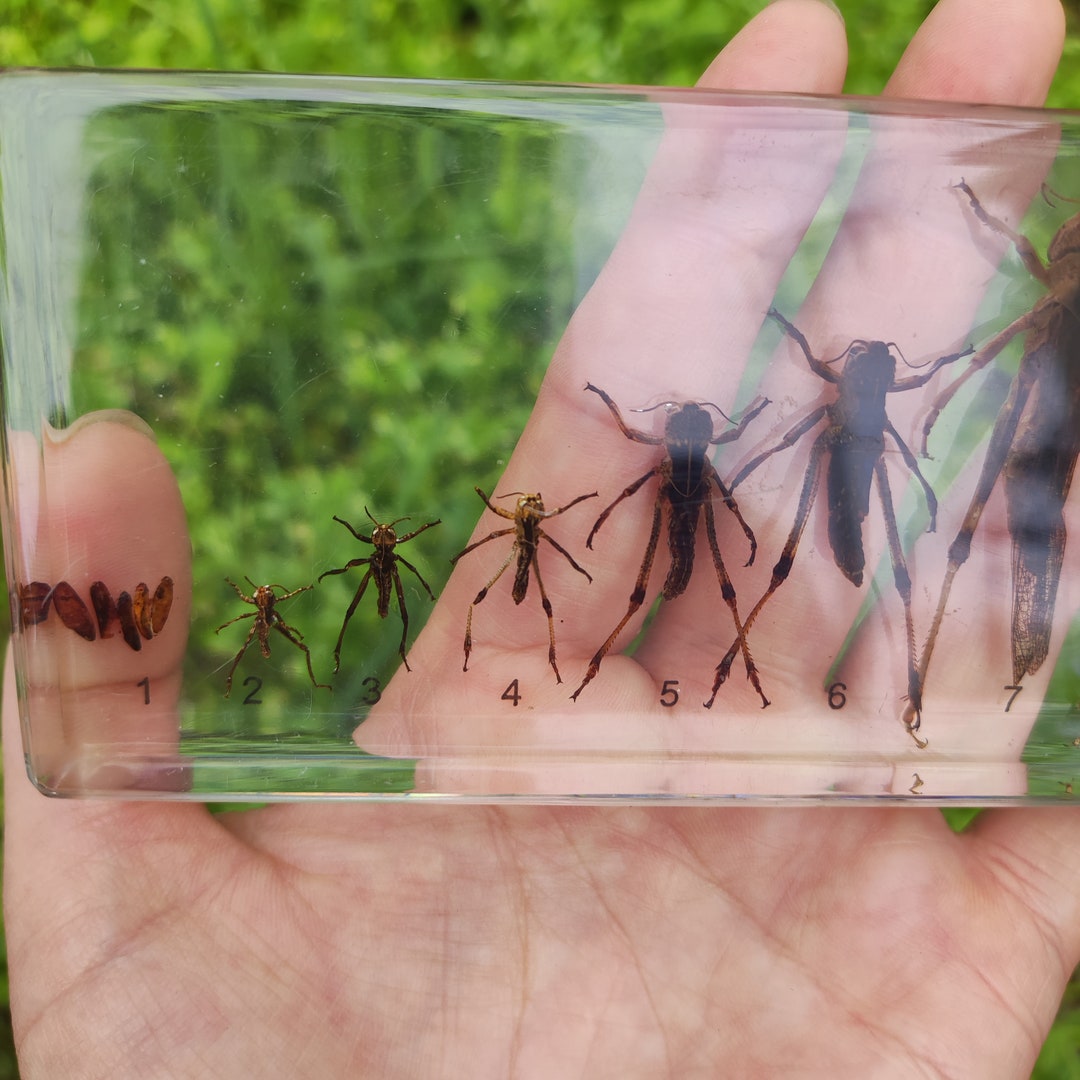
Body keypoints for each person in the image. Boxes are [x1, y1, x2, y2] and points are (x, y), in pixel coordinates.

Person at [4, 0, 1077, 1074]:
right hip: (767, 485)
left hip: (815, 477)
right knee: (721, 546)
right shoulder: (745, 432)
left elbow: (745, 439)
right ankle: (760, 635)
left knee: (793, 537)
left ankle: (787, 639)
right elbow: (698, 450)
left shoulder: (798, 416)